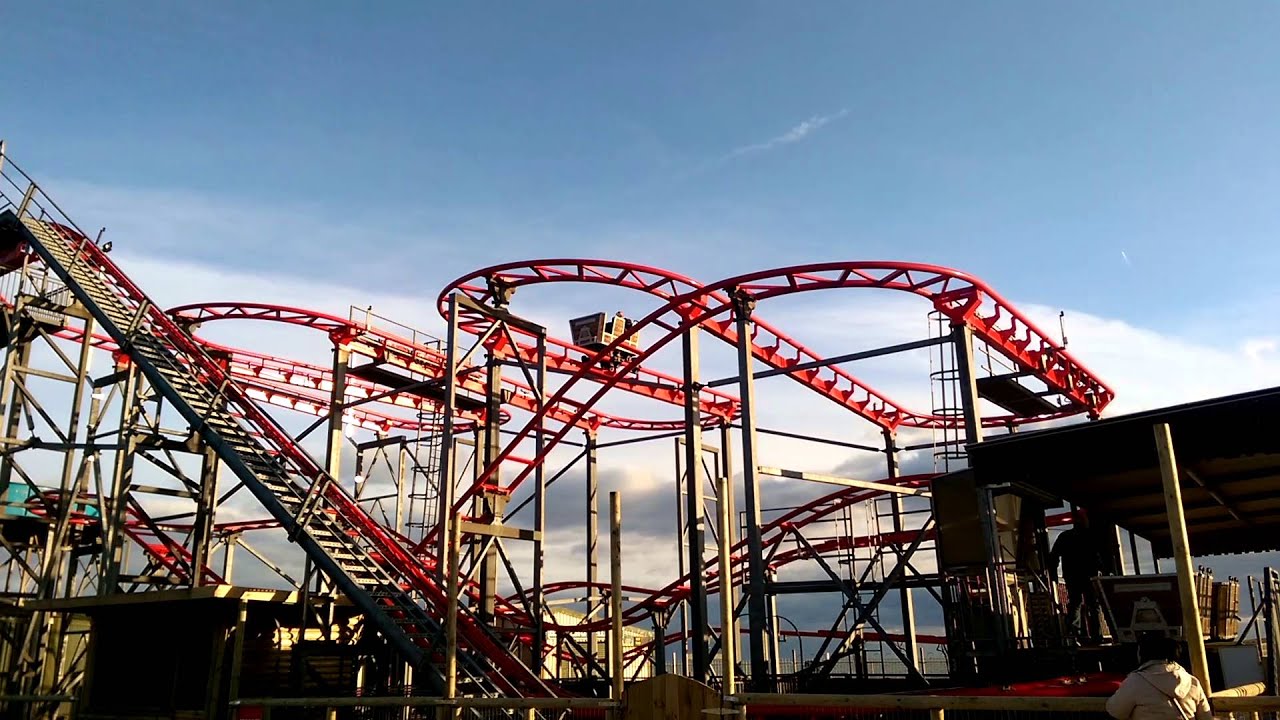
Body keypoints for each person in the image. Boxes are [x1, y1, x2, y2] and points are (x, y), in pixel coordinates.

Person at [1106, 634, 1211, 720]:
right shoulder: (1192, 681)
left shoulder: (1136, 681)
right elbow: (1206, 717)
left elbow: (1115, 711)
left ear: (1142, 654)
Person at [1048, 509, 1104, 641]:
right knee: (1093, 606)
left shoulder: (1065, 536)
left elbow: (1054, 556)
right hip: (1090, 576)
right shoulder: (1091, 536)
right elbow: (1100, 557)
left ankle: (1074, 635)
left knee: (1075, 604)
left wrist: (1054, 574)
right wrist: (1103, 571)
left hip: (1072, 576)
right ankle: (1096, 635)